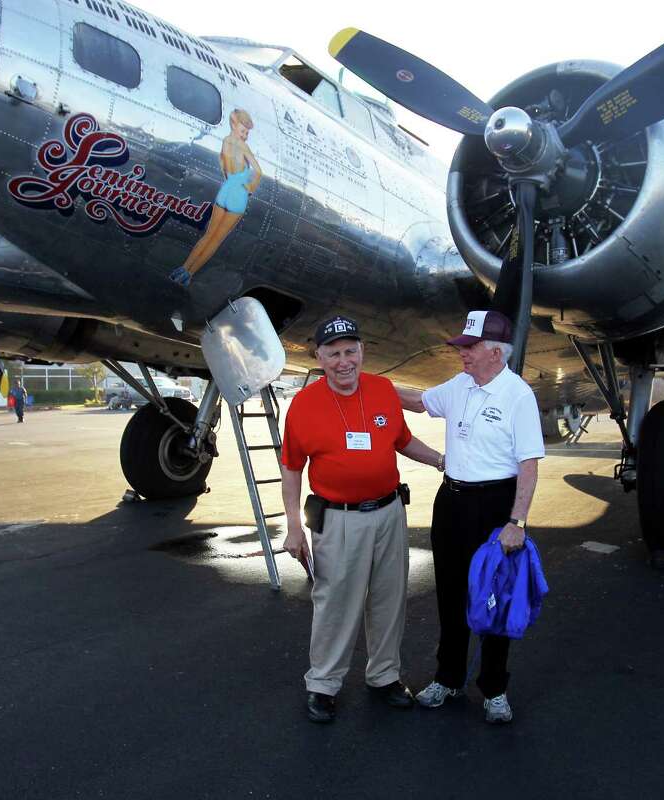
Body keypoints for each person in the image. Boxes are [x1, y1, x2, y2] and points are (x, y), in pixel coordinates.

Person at [280, 315, 444, 723]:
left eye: (350, 351)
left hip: (389, 513)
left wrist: (442, 460)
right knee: (335, 603)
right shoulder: (304, 405)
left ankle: (384, 676)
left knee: (389, 600)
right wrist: (294, 526)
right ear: (319, 358)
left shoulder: (383, 390)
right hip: (339, 520)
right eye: (333, 353)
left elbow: (402, 441)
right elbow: (291, 468)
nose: (343, 361)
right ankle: (323, 684)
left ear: (362, 353)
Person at [397, 310, 545, 725]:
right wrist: (366, 384)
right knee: (450, 594)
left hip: (496, 506)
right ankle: (449, 678)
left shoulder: (518, 395)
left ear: (496, 352)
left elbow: (529, 466)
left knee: (494, 599)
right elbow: (418, 402)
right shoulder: (459, 386)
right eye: (462, 346)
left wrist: (517, 522)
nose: (462, 353)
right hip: (452, 501)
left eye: (471, 347)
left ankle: (495, 689)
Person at [170, 109, 263, 287]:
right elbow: (258, 171)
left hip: (226, 190)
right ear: (234, 124)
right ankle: (188, 275)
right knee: (216, 239)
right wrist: (249, 188)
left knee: (209, 235)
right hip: (238, 195)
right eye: (244, 129)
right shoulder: (242, 146)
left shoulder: (226, 141)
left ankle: (183, 268)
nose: (246, 134)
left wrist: (232, 180)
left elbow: (223, 166)